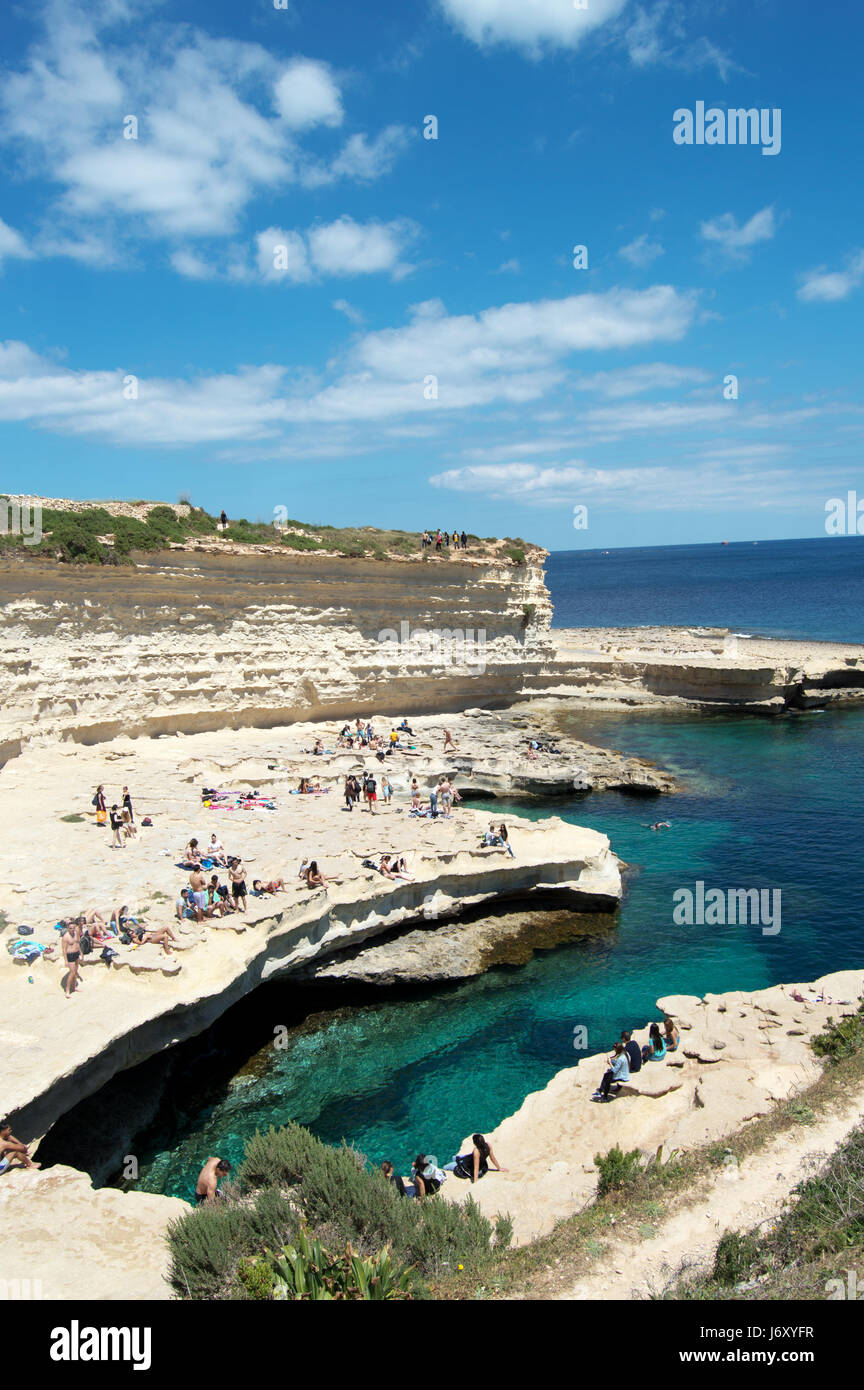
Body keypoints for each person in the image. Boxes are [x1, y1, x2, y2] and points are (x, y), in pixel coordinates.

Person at [61, 920, 82, 998]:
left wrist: (81, 953)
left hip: (76, 954)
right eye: (70, 928)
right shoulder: (65, 937)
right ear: (67, 928)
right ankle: (67, 990)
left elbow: (77, 943)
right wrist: (66, 960)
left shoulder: (76, 934)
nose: (72, 930)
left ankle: (74, 987)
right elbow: (64, 949)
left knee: (76, 971)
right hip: (70, 955)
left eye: (73, 928)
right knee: (72, 972)